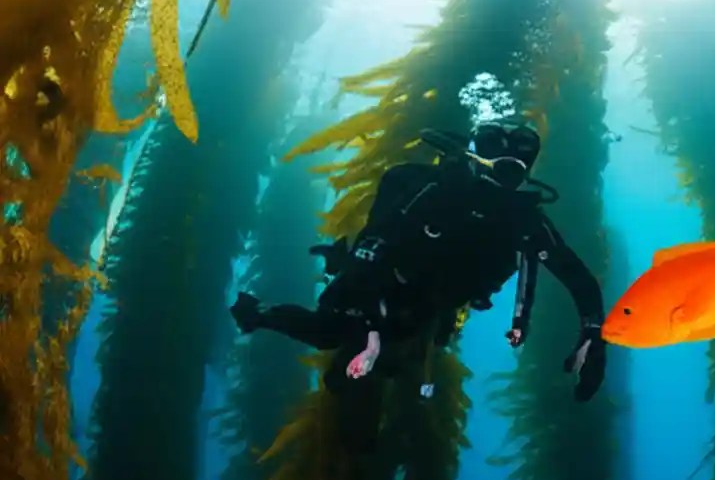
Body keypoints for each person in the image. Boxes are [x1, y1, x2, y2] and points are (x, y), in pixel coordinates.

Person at [230, 120, 607, 402]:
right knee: (329, 331)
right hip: (383, 285)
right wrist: (355, 270)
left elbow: (579, 280)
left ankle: (262, 313)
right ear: (475, 158)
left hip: (427, 302)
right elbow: (380, 238)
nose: (502, 181)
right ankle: (258, 312)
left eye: (514, 171)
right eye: (497, 165)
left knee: (365, 346)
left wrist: (593, 333)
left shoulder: (525, 220)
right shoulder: (436, 190)